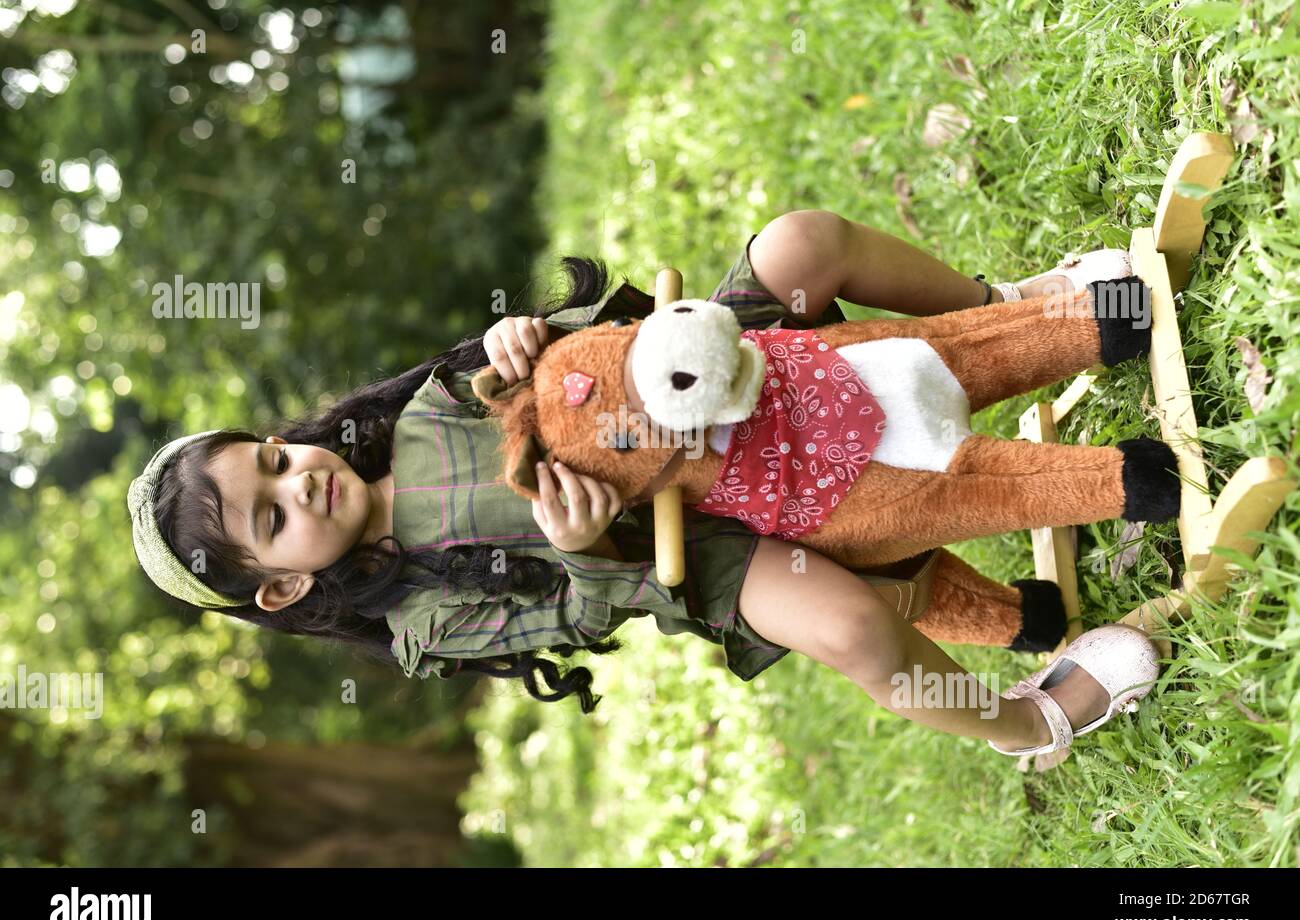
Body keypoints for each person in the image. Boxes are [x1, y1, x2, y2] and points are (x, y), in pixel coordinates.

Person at [126, 209, 1154, 757]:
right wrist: (583, 554)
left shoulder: (425, 412)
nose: (300, 481)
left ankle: (1015, 305)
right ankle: (1033, 722)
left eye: (274, 459)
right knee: (846, 629)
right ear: (280, 589)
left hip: (718, 395)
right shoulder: (422, 621)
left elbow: (607, 356)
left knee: (801, 244)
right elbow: (569, 626)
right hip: (702, 544)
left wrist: (532, 339)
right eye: (271, 512)